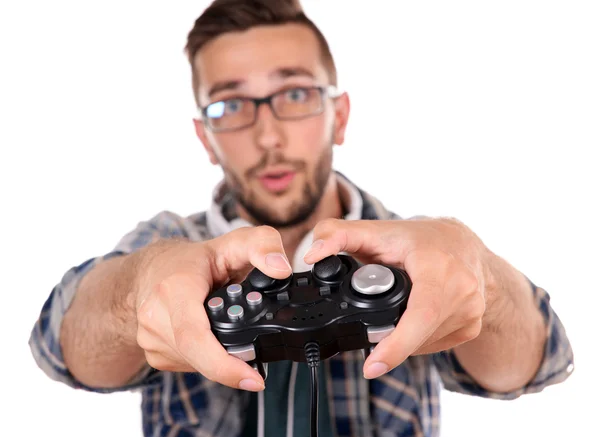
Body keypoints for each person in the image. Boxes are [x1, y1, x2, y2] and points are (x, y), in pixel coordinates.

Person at [28, 1, 574, 436]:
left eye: (295, 93)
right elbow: (61, 351)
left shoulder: (415, 255)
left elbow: (534, 365)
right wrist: (135, 293)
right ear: (205, 139)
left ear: (339, 116)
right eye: (230, 105)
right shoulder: (168, 245)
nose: (269, 136)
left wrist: (477, 270)